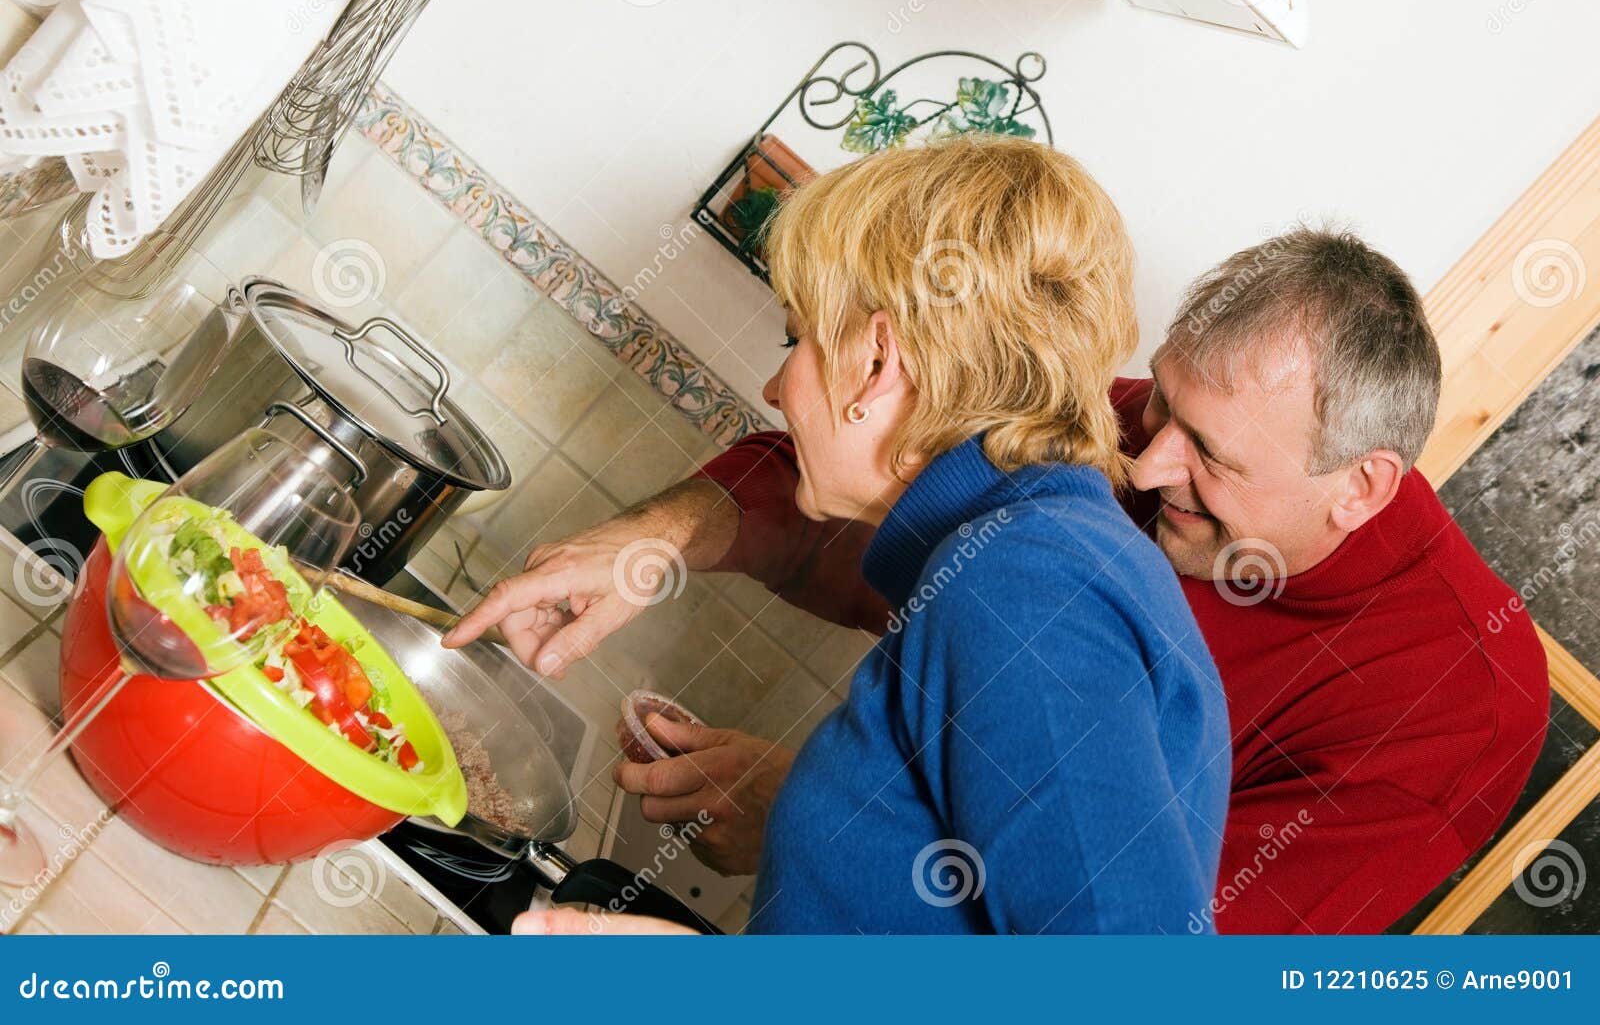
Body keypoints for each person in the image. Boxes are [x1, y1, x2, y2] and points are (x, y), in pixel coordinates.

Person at [451, 226, 1549, 936]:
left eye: (1209, 455)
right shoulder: (1132, 433)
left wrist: (834, 809)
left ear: (1359, 487)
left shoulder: (1459, 699)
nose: (1144, 457)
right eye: (1159, 402)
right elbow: (856, 491)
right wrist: (651, 541)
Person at [455, 134, 1232, 933]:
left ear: (876, 362)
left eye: (796, 339)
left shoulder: (1031, 584)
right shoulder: (1013, 557)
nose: (772, 384)